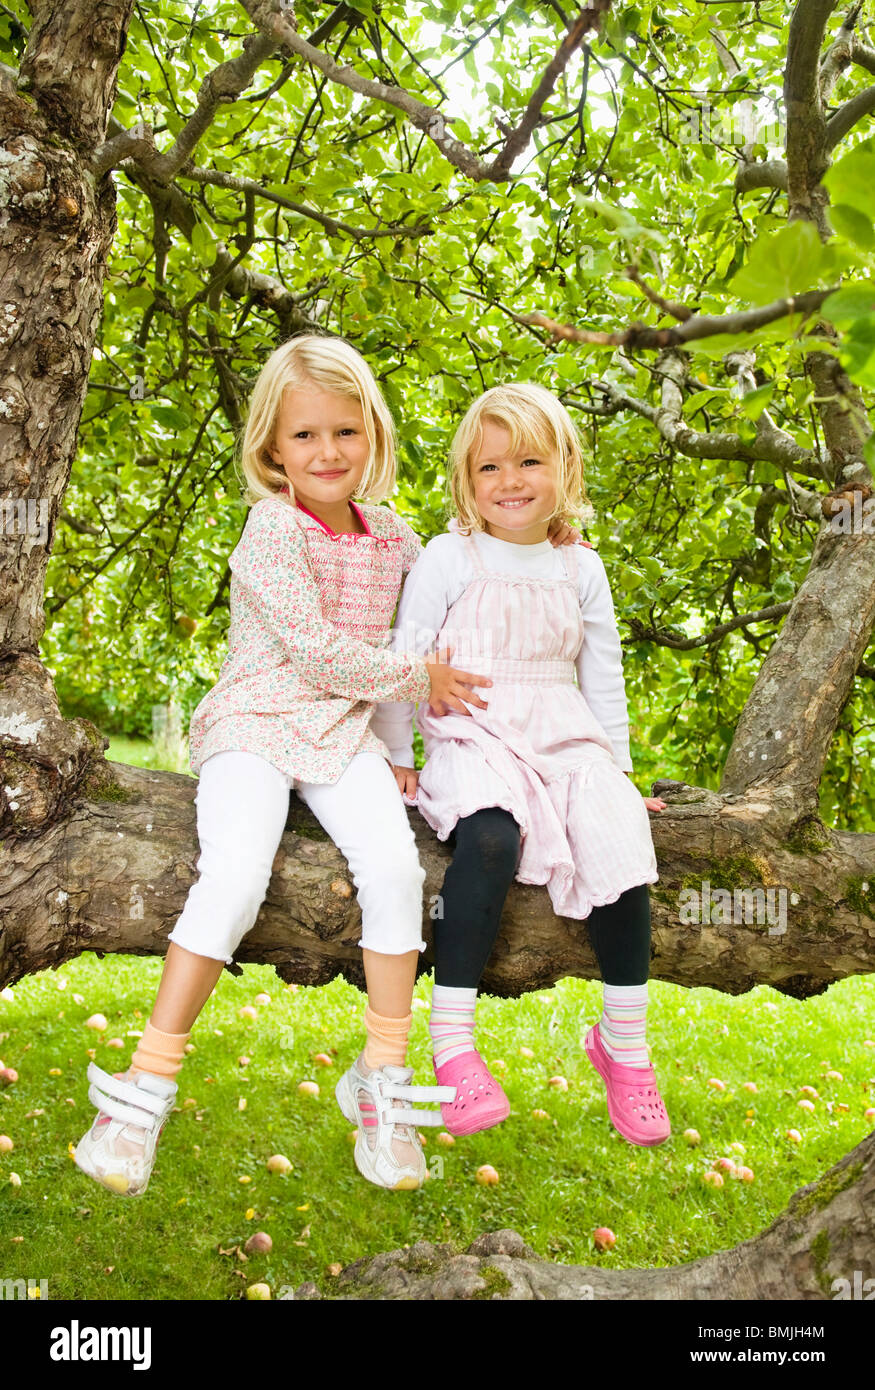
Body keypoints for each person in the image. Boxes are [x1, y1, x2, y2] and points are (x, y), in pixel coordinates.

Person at [73, 335, 495, 1197]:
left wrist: (403, 750)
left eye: (345, 432)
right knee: (233, 877)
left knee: (393, 870)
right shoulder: (270, 530)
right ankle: (143, 1089)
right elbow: (313, 651)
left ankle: (380, 1075)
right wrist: (418, 679)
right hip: (258, 724)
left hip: (346, 740)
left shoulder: (399, 540)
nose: (328, 453)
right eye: (305, 437)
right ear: (272, 447)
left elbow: (431, 616)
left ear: (372, 434)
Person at [372, 382, 671, 1145]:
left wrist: (621, 776)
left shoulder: (580, 570)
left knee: (618, 842)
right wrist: (396, 753)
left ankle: (624, 1046)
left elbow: (602, 677)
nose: (509, 482)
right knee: (492, 838)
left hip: (563, 734)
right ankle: (452, 1044)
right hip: (471, 731)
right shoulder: (450, 557)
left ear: (564, 468)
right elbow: (408, 655)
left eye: (529, 462)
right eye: (489, 468)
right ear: (465, 483)